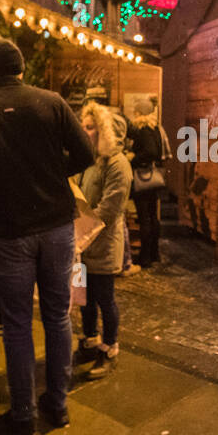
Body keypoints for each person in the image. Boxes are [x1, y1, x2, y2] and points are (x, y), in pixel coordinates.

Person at [0, 39, 95, 435]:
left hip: (9, 230)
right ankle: (59, 404)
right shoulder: (51, 102)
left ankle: (23, 417)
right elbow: (85, 154)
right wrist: (52, 175)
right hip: (57, 226)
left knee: (16, 324)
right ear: (22, 66)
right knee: (57, 315)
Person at [74, 101, 133, 379]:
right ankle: (89, 340)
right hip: (82, 242)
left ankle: (109, 347)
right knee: (83, 297)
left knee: (103, 298)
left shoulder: (118, 164)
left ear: (104, 131)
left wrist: (80, 227)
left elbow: (109, 208)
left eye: (90, 128)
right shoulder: (90, 160)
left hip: (103, 242)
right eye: (83, 127)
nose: (85, 133)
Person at [127, 96, 167, 268]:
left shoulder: (143, 129)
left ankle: (144, 257)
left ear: (140, 113)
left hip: (143, 178)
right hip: (153, 177)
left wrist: (132, 158)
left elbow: (149, 151)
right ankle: (154, 253)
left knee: (144, 218)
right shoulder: (156, 128)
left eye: (136, 111)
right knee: (152, 217)